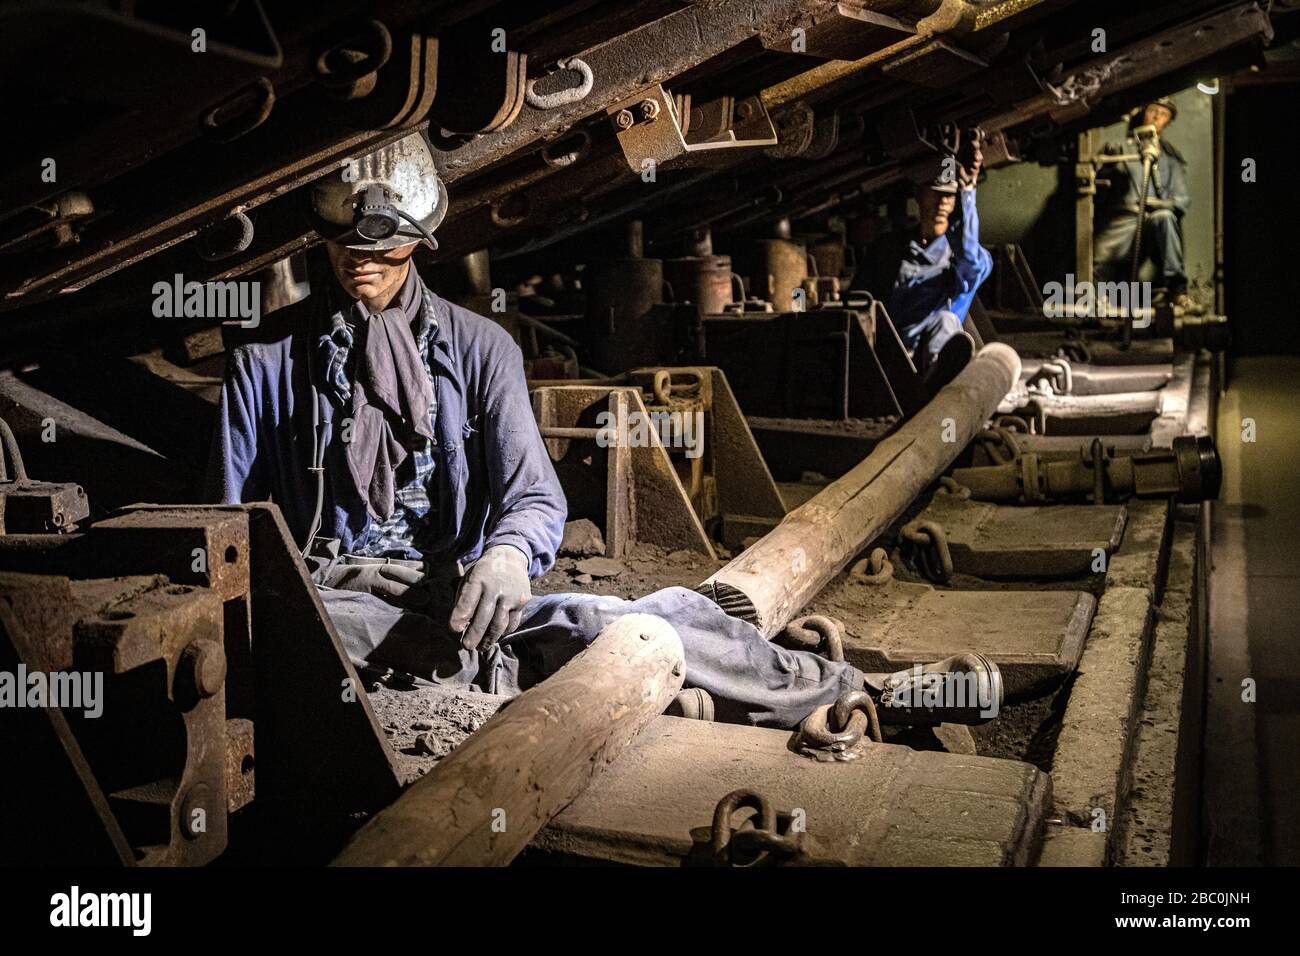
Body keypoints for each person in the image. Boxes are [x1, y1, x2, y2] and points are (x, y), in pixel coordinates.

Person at [207, 131, 877, 729]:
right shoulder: (265, 360)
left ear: (423, 236)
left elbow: (532, 495)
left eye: (385, 246)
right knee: (325, 631)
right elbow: (227, 527)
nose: (363, 260)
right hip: (333, 599)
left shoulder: (480, 349)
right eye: (346, 244)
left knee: (645, 618)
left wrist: (506, 555)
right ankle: (518, 673)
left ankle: (852, 691)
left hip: (457, 593)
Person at [856, 132, 991, 393]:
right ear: (918, 194)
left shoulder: (966, 260)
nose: (942, 203)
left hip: (932, 358)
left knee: (945, 321)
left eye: (949, 196)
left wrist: (968, 190)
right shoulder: (888, 249)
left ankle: (937, 382)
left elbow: (969, 257)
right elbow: (861, 301)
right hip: (891, 355)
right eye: (935, 193)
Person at [1093, 97, 1197, 313]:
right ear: (1143, 112)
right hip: (1124, 219)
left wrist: (1156, 205)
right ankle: (1097, 296)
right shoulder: (1120, 148)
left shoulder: (1172, 158)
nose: (1157, 117)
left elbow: (1181, 200)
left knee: (1165, 218)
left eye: (1164, 114)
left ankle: (1177, 290)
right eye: (1153, 110)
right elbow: (1100, 189)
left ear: (1168, 121)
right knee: (1098, 258)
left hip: (1153, 220)